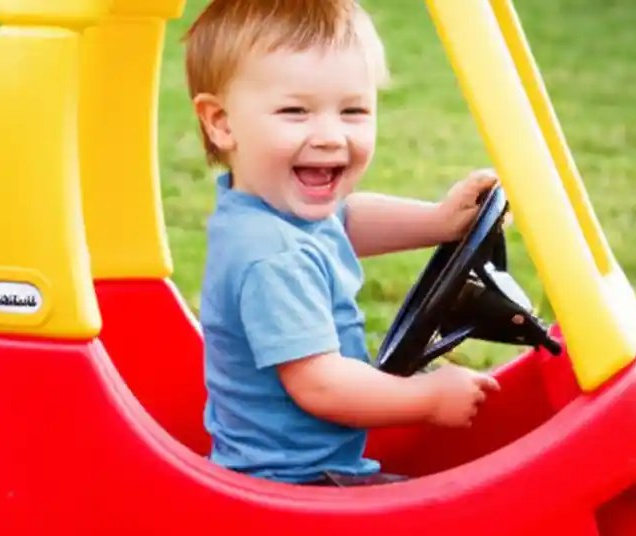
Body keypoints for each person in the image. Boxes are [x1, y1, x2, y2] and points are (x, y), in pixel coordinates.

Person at [185, 0, 504, 489]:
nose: (331, 136)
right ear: (222, 123)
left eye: (353, 110)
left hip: (304, 472)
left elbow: (346, 219)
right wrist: (428, 399)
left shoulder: (272, 211)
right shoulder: (273, 255)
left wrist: (438, 222)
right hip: (294, 487)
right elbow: (322, 384)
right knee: (461, 522)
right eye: (295, 112)